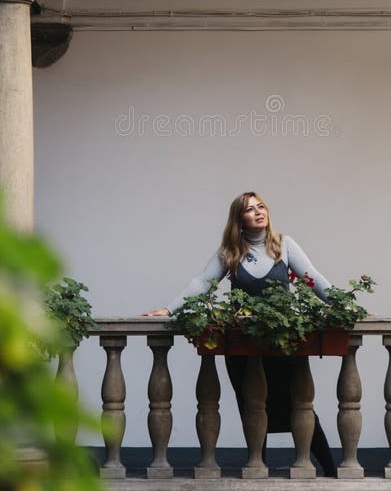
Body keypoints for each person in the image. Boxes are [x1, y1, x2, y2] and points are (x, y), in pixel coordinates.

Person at [143, 190, 337, 476]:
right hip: (244, 344)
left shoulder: (283, 245)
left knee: (298, 406)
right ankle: (260, 472)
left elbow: (314, 280)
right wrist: (169, 310)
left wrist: (348, 307)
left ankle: (331, 470)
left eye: (261, 206)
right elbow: (202, 283)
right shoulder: (231, 252)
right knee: (253, 408)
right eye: (250, 209)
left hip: (281, 344)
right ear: (239, 219)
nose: (258, 212)